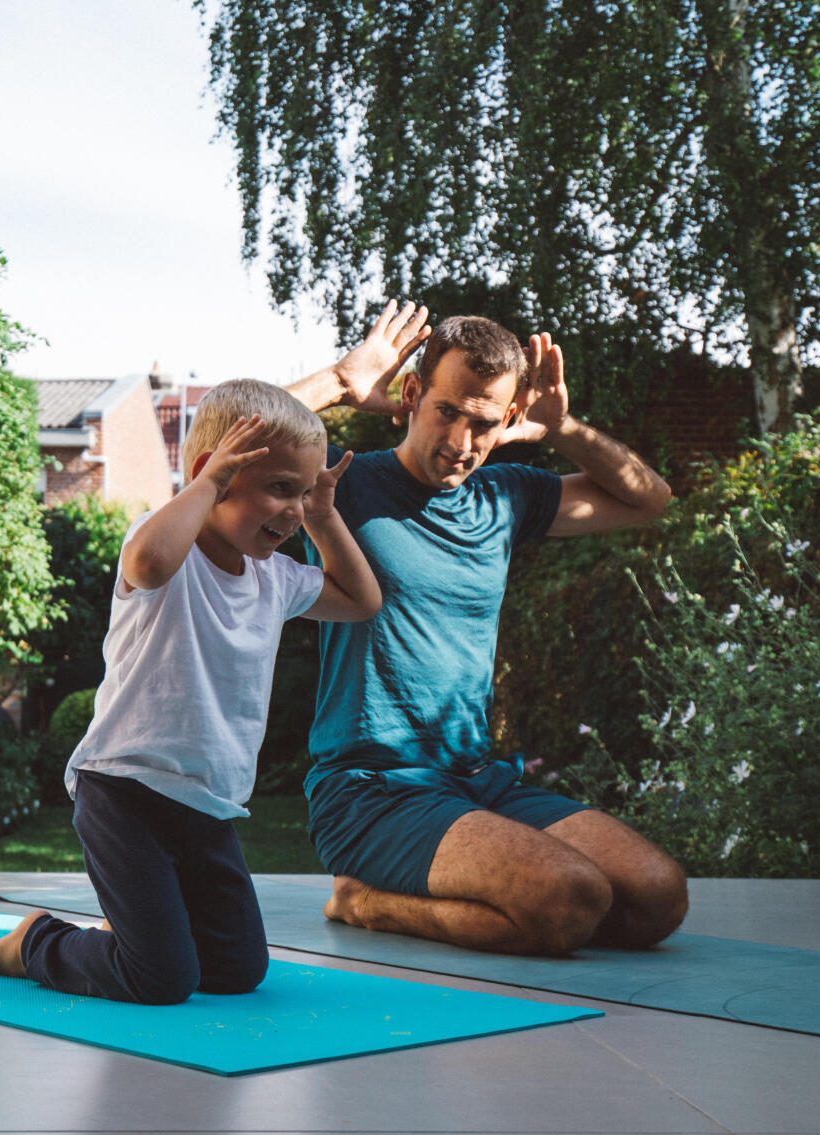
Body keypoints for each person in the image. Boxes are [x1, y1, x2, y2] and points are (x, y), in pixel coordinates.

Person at [285, 301, 687, 956]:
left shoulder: (506, 496)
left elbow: (650, 498)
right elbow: (223, 435)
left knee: (658, 894)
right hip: (370, 790)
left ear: (506, 419)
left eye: (484, 423)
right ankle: (368, 900)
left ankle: (500, 894)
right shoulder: (343, 482)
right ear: (412, 392)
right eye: (448, 411)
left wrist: (564, 428)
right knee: (566, 897)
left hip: (475, 780)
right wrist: (339, 380)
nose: (462, 442)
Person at [0, 380, 382, 1003]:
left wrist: (325, 516)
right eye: (280, 489)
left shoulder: (276, 580)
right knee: (161, 979)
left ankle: (136, 928)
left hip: (209, 808)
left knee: (237, 972)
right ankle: (37, 941)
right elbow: (148, 563)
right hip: (125, 793)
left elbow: (361, 601)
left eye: (303, 493)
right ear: (211, 475)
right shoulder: (171, 548)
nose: (294, 511)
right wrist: (205, 487)